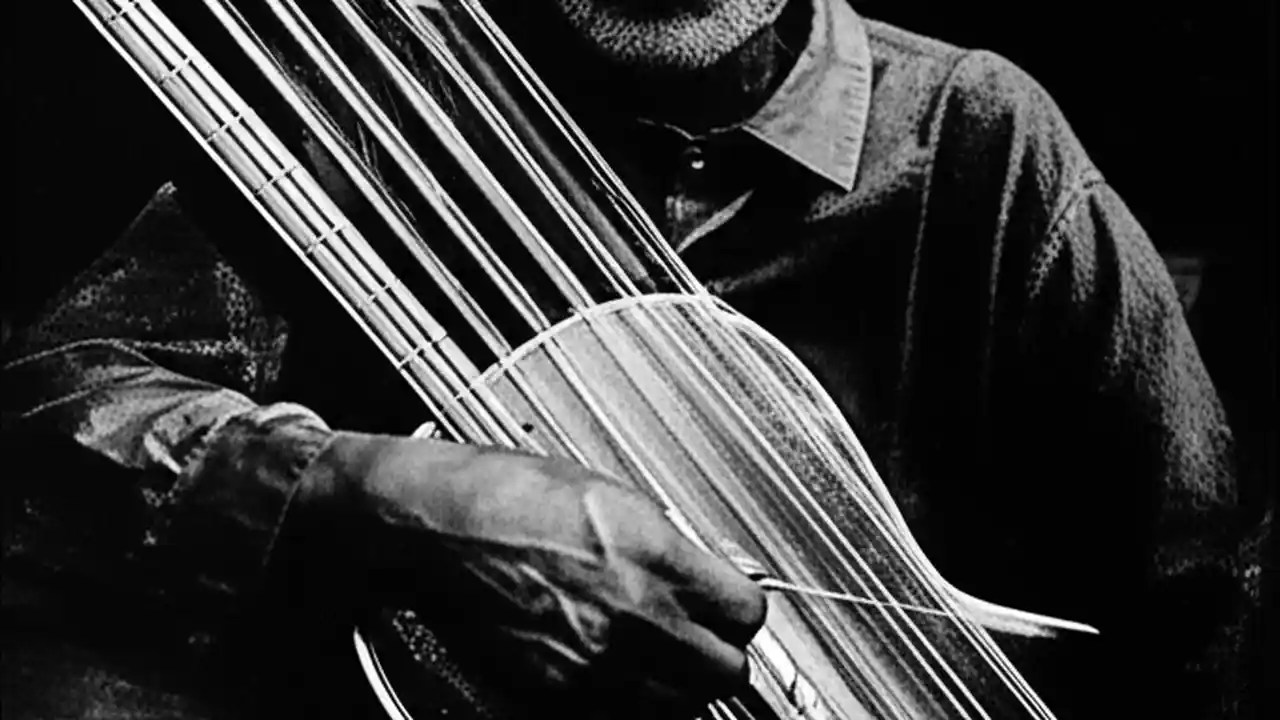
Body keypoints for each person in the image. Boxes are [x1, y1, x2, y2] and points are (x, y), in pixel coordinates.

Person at [1, 1, 1263, 719]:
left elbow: (1199, 615)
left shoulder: (976, 141)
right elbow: (52, 422)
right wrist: (383, 500)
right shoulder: (381, 116)